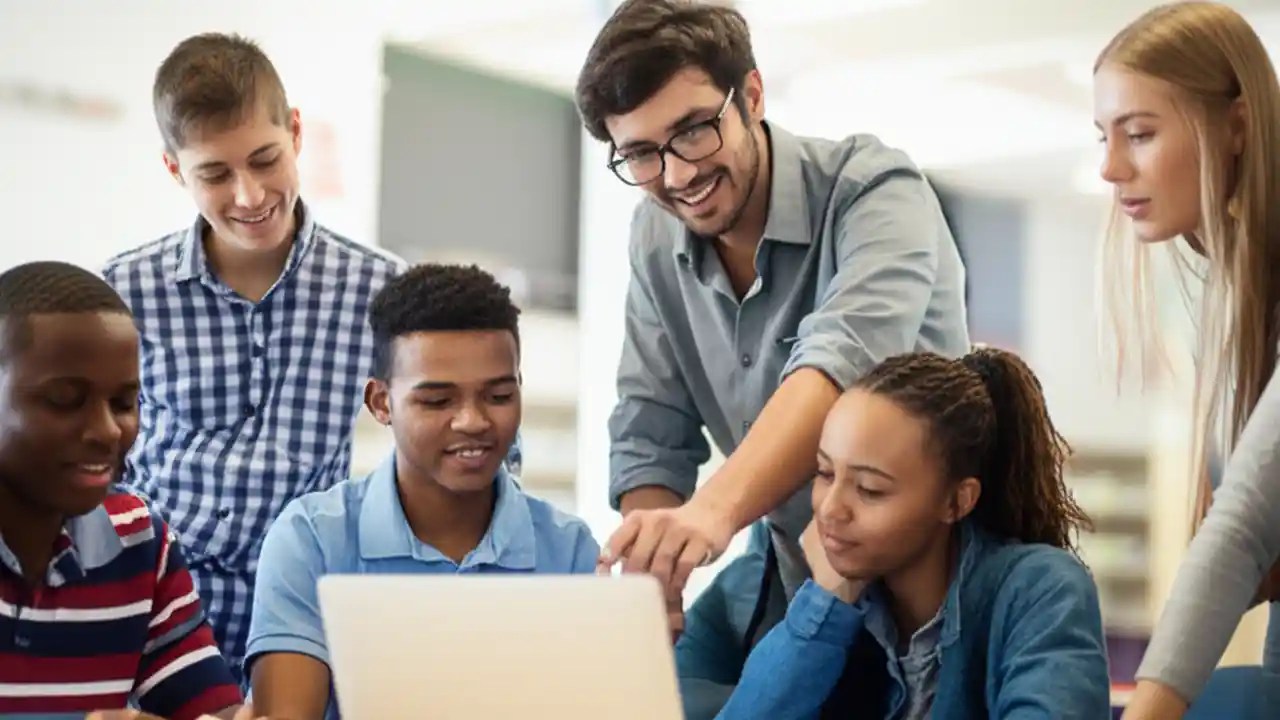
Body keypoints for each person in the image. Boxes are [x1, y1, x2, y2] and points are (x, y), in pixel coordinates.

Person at [574, 1, 969, 712]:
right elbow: (649, 424)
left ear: (750, 96)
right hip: (801, 582)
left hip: (942, 592)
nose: (675, 174)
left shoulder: (875, 192)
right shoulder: (652, 239)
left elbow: (840, 368)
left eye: (693, 131)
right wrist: (653, 569)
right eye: (638, 153)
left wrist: (712, 513)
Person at [100, 32, 512, 683]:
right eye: (215, 173)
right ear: (176, 169)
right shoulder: (124, 292)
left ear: (295, 133)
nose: (248, 193)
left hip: (303, 621)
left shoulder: (377, 289)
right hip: (148, 619)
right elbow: (94, 468)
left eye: (265, 159)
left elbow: (476, 434)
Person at [244, 264, 599, 720]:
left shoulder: (569, 551)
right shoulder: (312, 540)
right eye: (437, 400)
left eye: (498, 397)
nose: (473, 421)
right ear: (381, 403)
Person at [713, 347, 1108, 719]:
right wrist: (825, 607)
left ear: (957, 501)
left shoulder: (1041, 589)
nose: (831, 509)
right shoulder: (835, 600)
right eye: (825, 473)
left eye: (870, 490)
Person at [1092, 3, 1280, 718]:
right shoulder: (1233, 293)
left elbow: (1240, 527)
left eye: (1139, 133)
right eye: (1104, 136)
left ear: (1235, 127)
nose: (1110, 167)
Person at [0, 261, 244, 720]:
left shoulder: (139, 541)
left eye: (124, 403)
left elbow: (212, 709)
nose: (107, 431)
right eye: (64, 400)